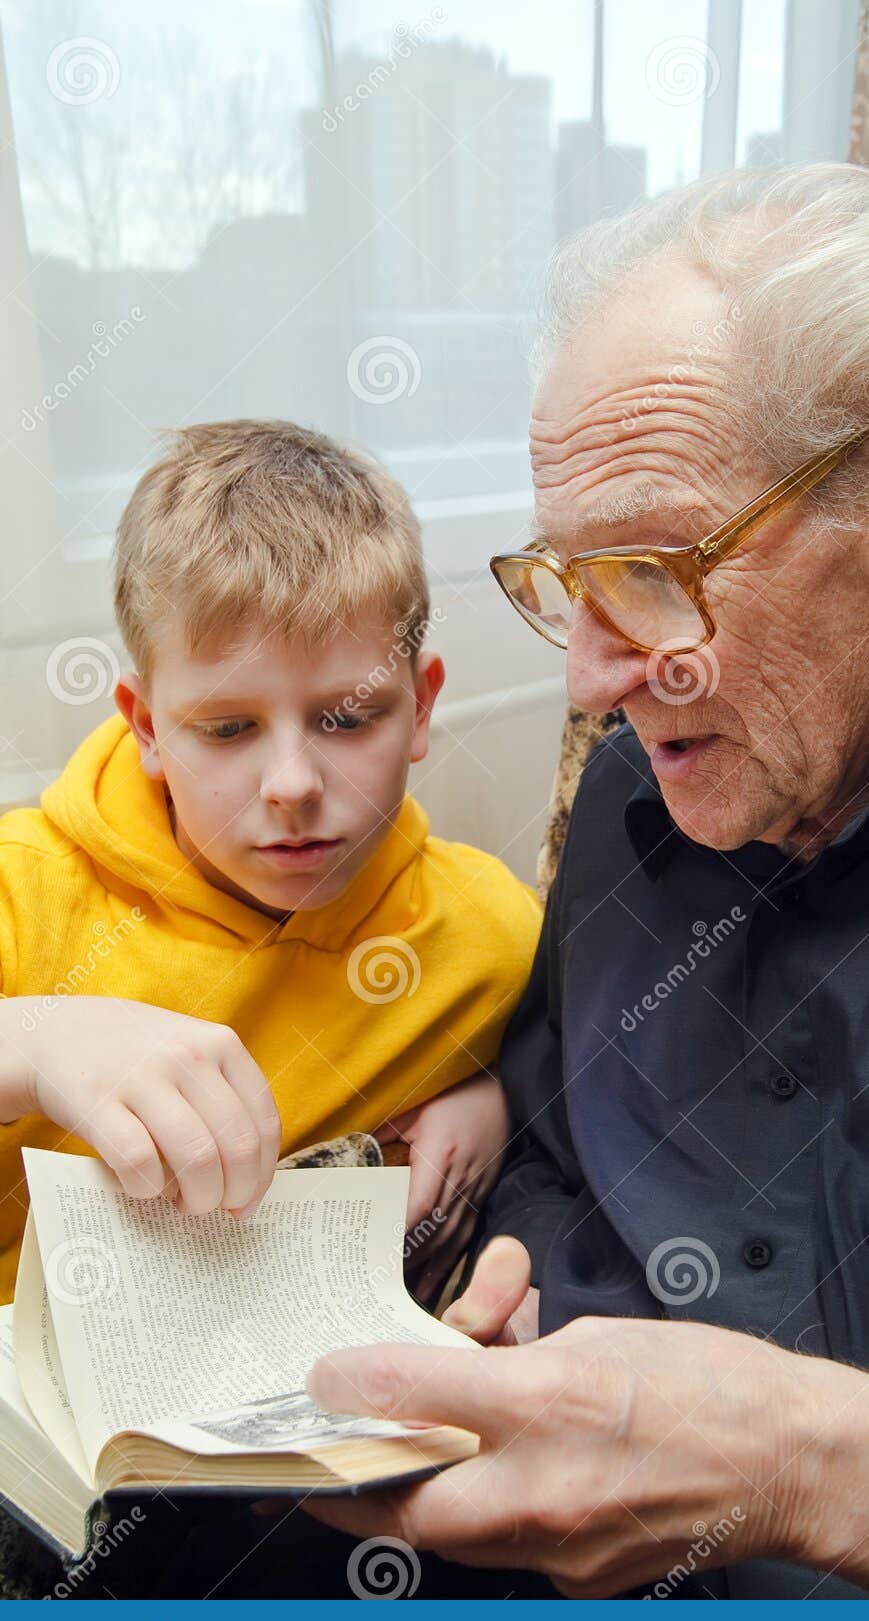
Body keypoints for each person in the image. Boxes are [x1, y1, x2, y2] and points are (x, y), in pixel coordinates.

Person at [303, 164, 869, 1599]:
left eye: (653, 566)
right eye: (565, 584)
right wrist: (512, 1261)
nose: (589, 677)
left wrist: (802, 1464)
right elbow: (562, 1141)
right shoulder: (632, 784)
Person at [0, 419, 541, 1306]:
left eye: (346, 718)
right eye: (225, 729)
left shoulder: (490, 933)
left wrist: (498, 1098)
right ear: (144, 726)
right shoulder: (23, 892)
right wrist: (38, 1039)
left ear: (420, 706)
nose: (292, 784)